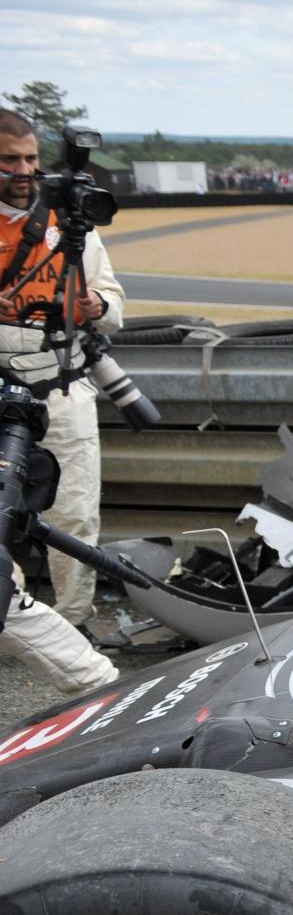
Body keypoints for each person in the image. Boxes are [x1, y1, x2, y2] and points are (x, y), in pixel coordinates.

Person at [0, 109, 119, 692]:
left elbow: (116, 303)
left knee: (75, 515)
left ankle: (74, 622)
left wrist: (98, 307)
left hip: (63, 388)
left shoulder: (73, 223)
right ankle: (15, 612)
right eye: (9, 160)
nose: (23, 171)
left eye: (30, 159)